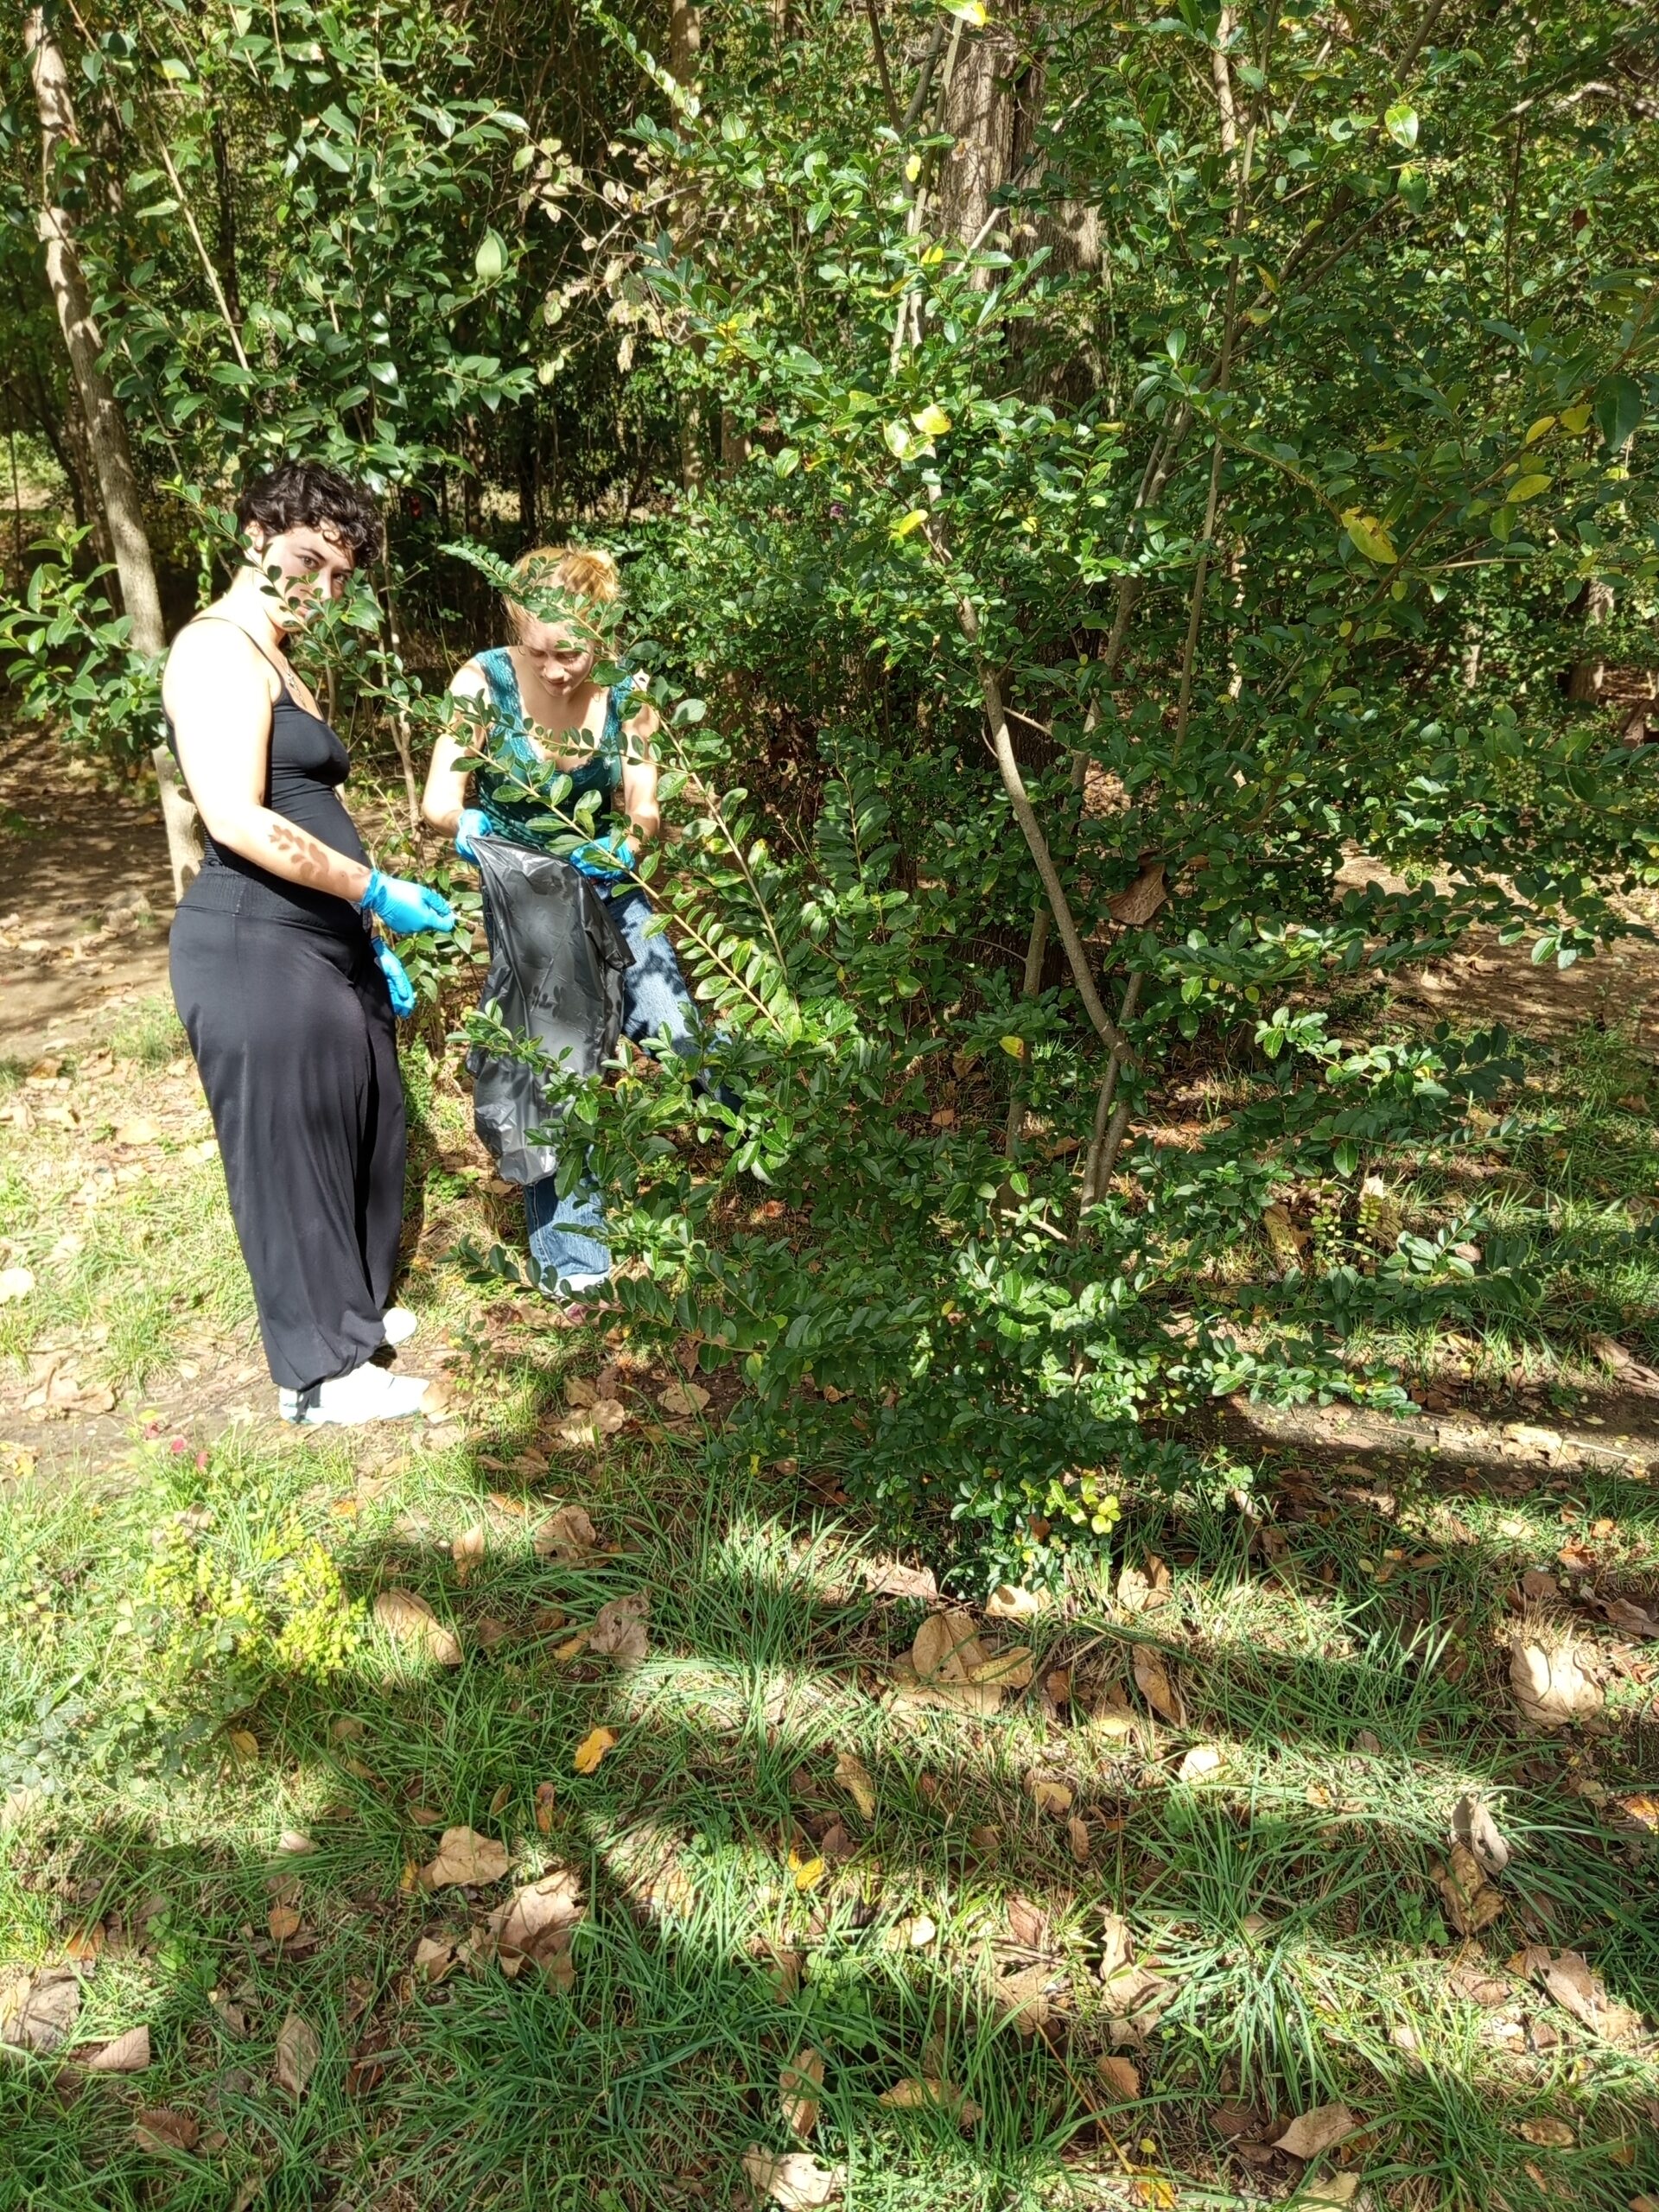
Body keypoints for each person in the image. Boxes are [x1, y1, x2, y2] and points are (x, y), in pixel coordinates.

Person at [164, 460, 456, 1425]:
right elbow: (238, 818)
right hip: (252, 938)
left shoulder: (278, 650)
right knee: (287, 1149)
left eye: (339, 576)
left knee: (363, 1122)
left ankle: (352, 1315)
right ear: (254, 535)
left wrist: (367, 930)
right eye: (305, 562)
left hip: (320, 938)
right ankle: (319, 1376)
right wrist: (373, 884)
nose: (322, 590)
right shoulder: (216, 651)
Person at [422, 543, 706, 1306]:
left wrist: (630, 844)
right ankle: (574, 1254)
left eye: (572, 652)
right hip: (529, 897)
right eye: (540, 652)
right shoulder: (482, 682)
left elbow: (644, 811)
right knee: (556, 1069)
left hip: (609, 888)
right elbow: (437, 801)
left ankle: (752, 1179)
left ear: (602, 630)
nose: (555, 671)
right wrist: (473, 820)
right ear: (518, 626)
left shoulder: (627, 691)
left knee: (676, 1029)